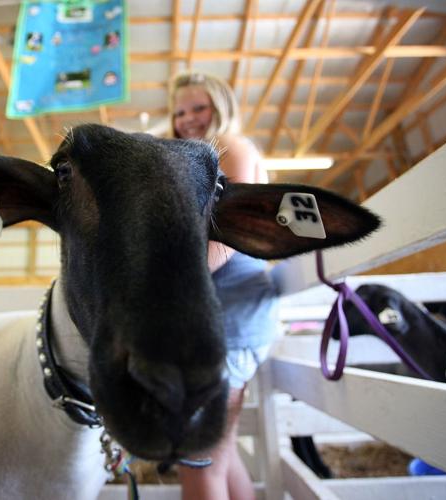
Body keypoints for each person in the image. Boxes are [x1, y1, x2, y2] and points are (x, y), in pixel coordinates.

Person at [168, 71, 280, 500]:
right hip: (226, 318)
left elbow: (228, 231)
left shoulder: (229, 146)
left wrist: (168, 283)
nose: (189, 119)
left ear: (221, 105)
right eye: (180, 112)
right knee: (220, 456)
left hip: (227, 320)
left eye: (199, 107)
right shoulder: (200, 155)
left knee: (197, 460)